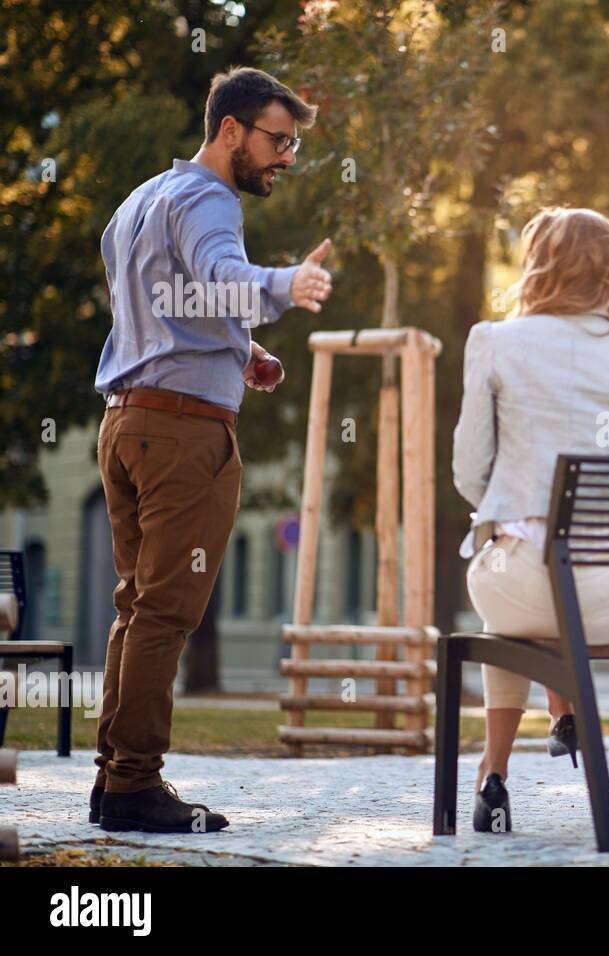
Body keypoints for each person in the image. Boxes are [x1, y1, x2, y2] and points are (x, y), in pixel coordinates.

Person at [91, 67, 332, 834]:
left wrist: (239, 349)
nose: (285, 156)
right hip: (182, 436)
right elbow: (223, 276)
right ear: (230, 129)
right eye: (276, 138)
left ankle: (112, 780)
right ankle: (134, 785)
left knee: (137, 610)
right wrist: (284, 285)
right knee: (164, 614)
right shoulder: (209, 200)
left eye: (291, 142)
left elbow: (161, 303)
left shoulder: (141, 201)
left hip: (126, 425)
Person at [452, 207, 609, 833]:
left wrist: (508, 508)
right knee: (540, 606)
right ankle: (522, 752)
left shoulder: (494, 340)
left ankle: (492, 773)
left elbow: (469, 473)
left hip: (514, 581)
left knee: (509, 612)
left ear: (540, 263)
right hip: (608, 593)